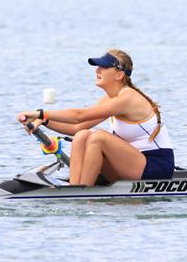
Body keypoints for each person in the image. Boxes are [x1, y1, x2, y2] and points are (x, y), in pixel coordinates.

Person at [17, 49, 174, 186]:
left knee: (99, 137)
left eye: (104, 67)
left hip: (155, 167)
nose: (97, 70)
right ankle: (76, 186)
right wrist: (45, 121)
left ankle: (83, 190)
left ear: (119, 75)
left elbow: (79, 116)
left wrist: (40, 113)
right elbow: (77, 127)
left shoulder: (128, 98)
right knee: (82, 135)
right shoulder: (110, 99)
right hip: (130, 164)